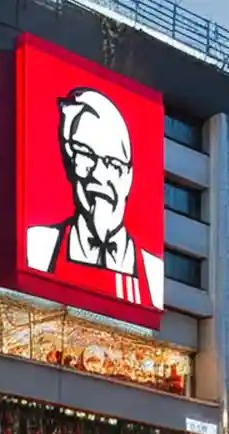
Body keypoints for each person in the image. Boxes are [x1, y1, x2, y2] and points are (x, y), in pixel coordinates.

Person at [25, 88, 164, 311]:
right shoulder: (37, 247)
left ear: (128, 177)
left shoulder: (153, 274)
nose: (99, 175)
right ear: (70, 164)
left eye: (113, 163)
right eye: (86, 156)